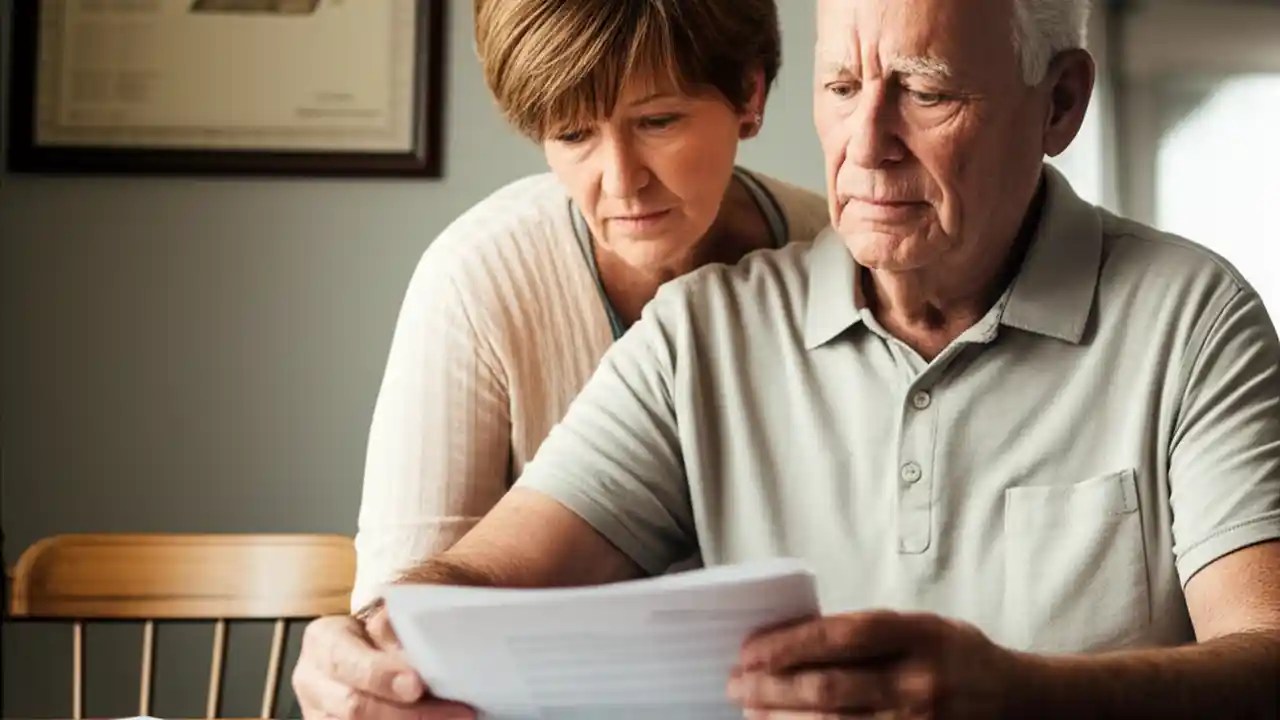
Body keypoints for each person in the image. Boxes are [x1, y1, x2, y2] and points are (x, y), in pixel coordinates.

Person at [295, 0, 1280, 717]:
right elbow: (482, 579)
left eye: (926, 91)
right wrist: (366, 647)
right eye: (842, 88)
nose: (867, 146)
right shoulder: (696, 332)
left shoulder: (1193, 318)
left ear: (1058, 103)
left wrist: (1018, 695)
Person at [349, 0, 829, 611]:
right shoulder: (479, 278)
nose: (622, 181)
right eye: (574, 134)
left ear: (749, 94)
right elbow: (398, 609)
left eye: (658, 121)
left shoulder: (836, 254)